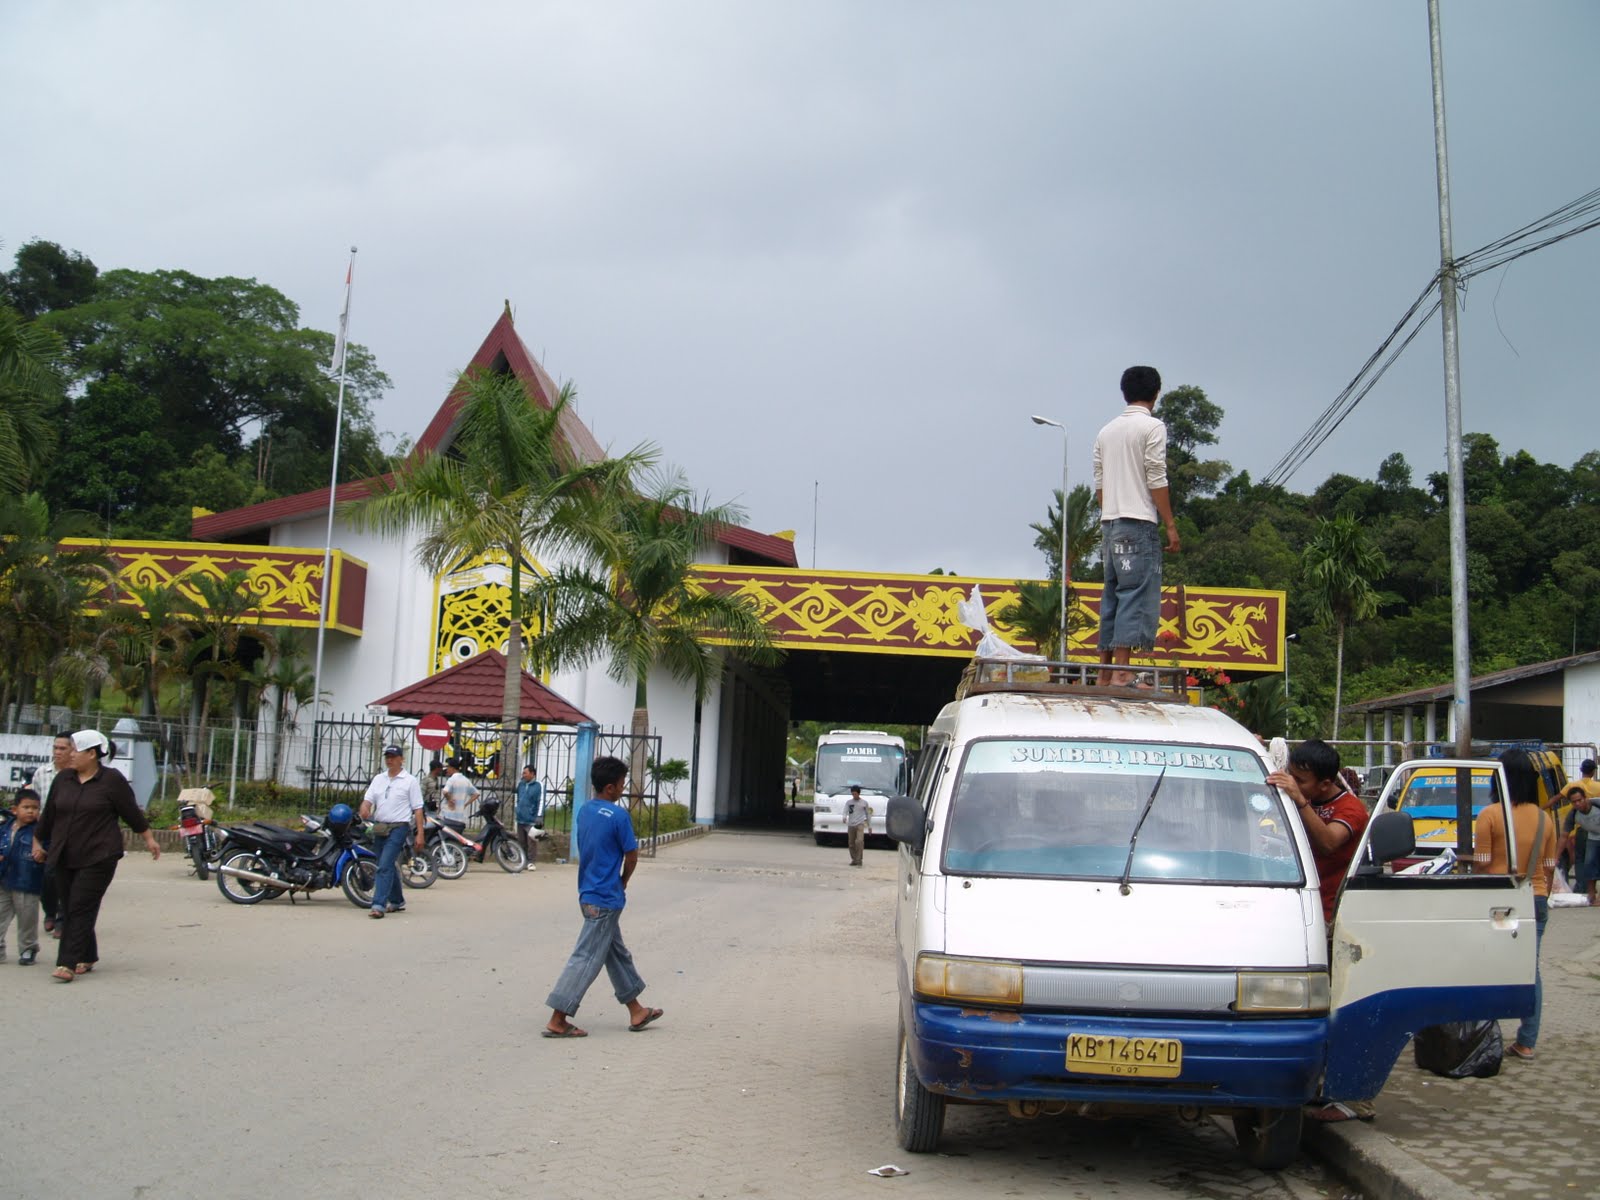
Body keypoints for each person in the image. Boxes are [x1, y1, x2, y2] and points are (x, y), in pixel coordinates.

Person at [543, 756, 662, 1039]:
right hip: (606, 898)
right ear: (610, 787)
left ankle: (636, 1010)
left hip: (587, 893)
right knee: (586, 957)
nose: (623, 788)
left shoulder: (584, 811)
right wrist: (622, 883)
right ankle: (558, 1017)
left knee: (615, 952)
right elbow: (631, 856)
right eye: (621, 784)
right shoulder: (619, 816)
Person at [30, 730, 161, 983]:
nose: (69, 755)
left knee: (79, 906)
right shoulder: (63, 779)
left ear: (92, 754)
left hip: (99, 855)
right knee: (71, 906)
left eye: (74, 750)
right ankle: (88, 954)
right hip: (64, 854)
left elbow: (130, 811)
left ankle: (66, 963)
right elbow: (50, 815)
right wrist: (38, 840)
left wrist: (148, 838)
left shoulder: (111, 780)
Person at [1093, 365, 1180, 686]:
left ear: (1124, 393)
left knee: (1113, 593)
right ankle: (1123, 672)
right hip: (1139, 521)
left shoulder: (1106, 431)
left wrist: (1111, 514)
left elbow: (1099, 486)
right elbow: (1156, 477)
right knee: (1135, 592)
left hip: (1110, 524)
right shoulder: (1153, 427)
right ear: (1156, 394)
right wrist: (1169, 524)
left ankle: (1104, 672)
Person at [1474, 747, 1558, 1061]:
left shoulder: (1491, 815)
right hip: (1535, 899)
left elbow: (1482, 862)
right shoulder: (1544, 818)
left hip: (1500, 903)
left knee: (1491, 965)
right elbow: (1549, 865)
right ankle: (1527, 1041)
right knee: (1530, 969)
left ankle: (1483, 1034)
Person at [1266, 738, 1369, 927]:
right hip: (1296, 902)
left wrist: (1300, 801)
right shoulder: (1305, 797)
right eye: (1291, 776)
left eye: (1300, 781)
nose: (1292, 783)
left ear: (1324, 784)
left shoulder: (1351, 809)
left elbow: (1328, 843)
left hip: (1329, 912)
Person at [358, 745, 425, 919]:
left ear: (401, 759)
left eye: (393, 757)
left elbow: (418, 809)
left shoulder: (409, 781)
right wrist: (364, 809)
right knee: (385, 864)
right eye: (387, 756)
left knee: (384, 865)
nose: (389, 760)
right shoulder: (379, 779)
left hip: (399, 828)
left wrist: (420, 833)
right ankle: (397, 900)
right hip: (380, 827)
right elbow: (368, 800)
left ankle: (378, 904)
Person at [28, 732, 71, 938]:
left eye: (63, 748)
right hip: (47, 834)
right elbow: (33, 807)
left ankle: (63, 920)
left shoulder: (77, 776)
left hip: (71, 835)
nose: (57, 752)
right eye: (55, 748)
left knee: (67, 877)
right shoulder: (41, 773)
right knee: (48, 877)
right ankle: (50, 912)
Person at [0, 789, 46, 965]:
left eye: (35, 808)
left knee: (27, 918)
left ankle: (28, 949)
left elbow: (49, 848)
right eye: (26, 807)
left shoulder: (40, 831)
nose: (30, 811)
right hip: (3, 879)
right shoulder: (5, 828)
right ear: (14, 809)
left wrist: (43, 853)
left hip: (27, 881)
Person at [1563, 784, 1600, 903]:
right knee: (1589, 864)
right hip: (1593, 837)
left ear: (1585, 798)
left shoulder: (1597, 804)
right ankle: (1591, 895)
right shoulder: (1573, 814)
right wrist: (1556, 857)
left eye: (1579, 800)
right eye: (1574, 802)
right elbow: (1564, 836)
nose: (1577, 804)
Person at [515, 764, 543, 869]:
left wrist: (539, 816)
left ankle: (531, 862)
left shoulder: (538, 785)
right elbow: (517, 797)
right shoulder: (521, 784)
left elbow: (541, 801)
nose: (523, 775)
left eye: (525, 773)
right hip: (520, 818)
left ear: (532, 774)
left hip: (531, 819)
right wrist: (516, 810)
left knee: (532, 841)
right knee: (521, 841)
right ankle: (523, 860)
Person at [440, 758, 480, 831]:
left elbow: (445, 792)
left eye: (448, 767)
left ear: (452, 768)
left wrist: (449, 800)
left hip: (448, 816)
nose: (446, 770)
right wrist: (465, 804)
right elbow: (476, 794)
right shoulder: (466, 780)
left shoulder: (451, 780)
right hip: (459, 818)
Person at [844, 785, 871, 867]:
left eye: (855, 794)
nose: (854, 796)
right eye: (852, 794)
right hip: (851, 824)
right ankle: (854, 859)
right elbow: (845, 811)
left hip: (860, 824)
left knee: (859, 841)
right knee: (851, 843)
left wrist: (869, 826)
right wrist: (844, 817)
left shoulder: (864, 803)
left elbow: (868, 814)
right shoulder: (849, 802)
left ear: (859, 794)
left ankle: (859, 860)